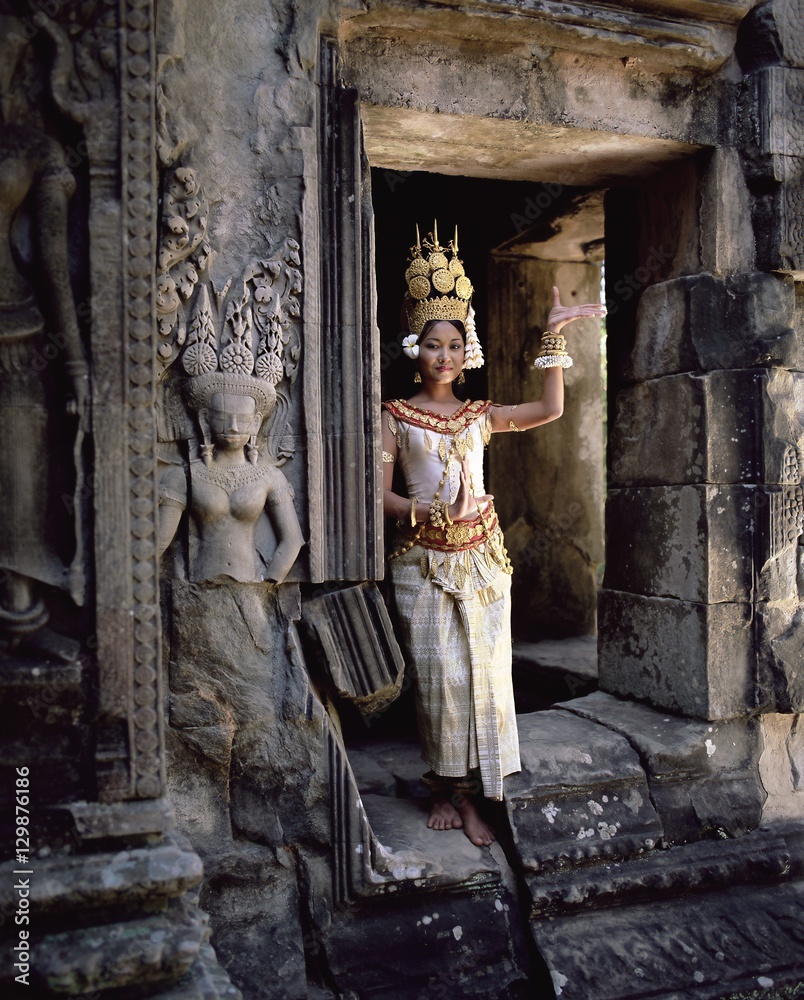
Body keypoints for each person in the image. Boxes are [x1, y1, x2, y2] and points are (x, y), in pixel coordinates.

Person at [382, 225, 605, 847]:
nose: (445, 356)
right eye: (433, 345)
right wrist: (431, 517)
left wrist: (554, 336)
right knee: (441, 680)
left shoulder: (482, 414)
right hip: (423, 562)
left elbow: (550, 410)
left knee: (485, 675)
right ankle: (445, 789)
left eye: (454, 345)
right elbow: (380, 499)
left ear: (466, 351)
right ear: (415, 349)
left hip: (482, 558)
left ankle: (480, 797)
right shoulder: (395, 417)